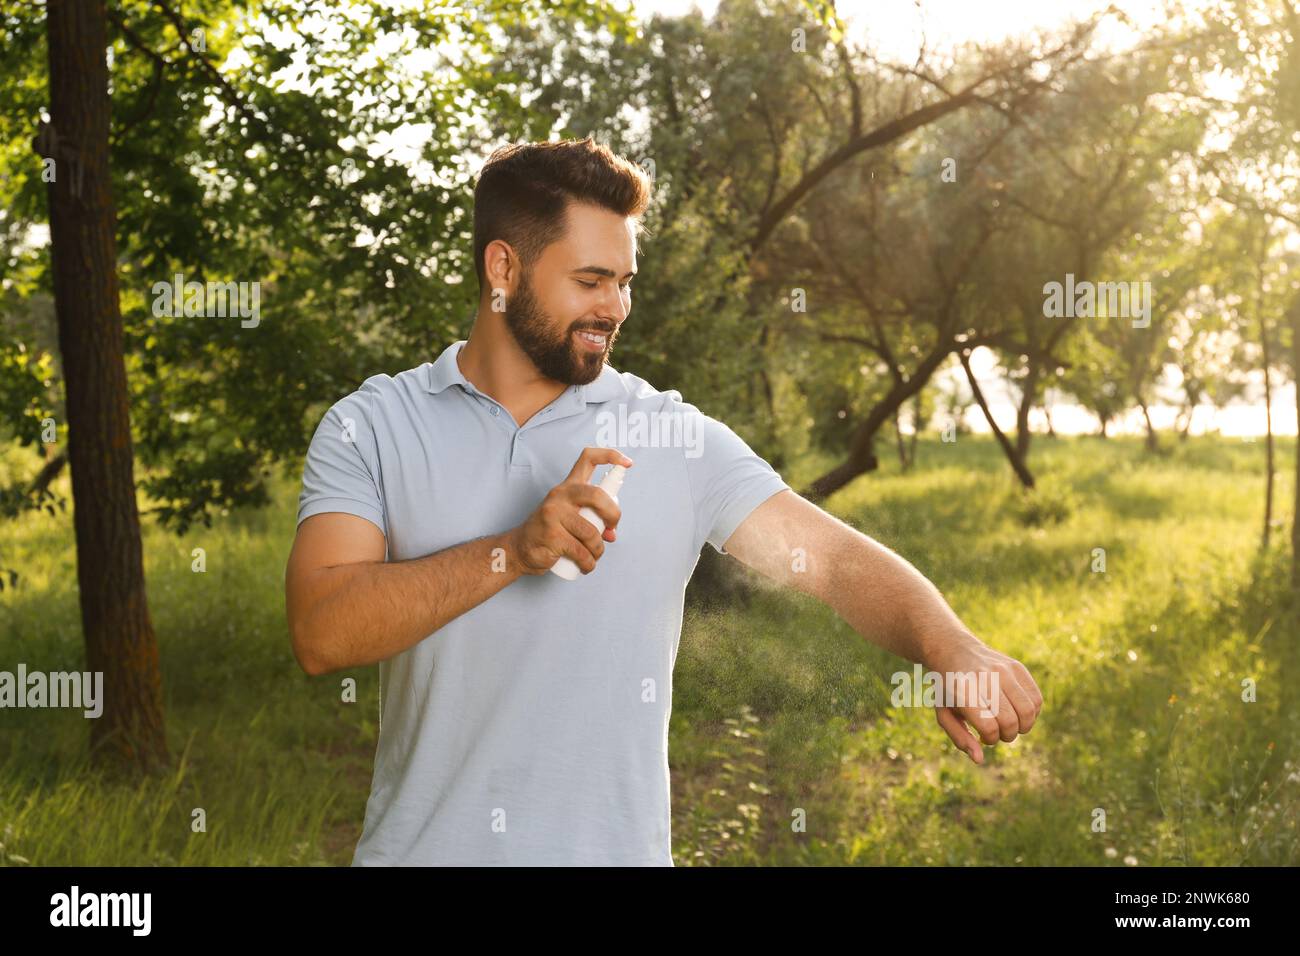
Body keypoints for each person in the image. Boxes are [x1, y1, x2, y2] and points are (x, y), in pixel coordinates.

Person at [284, 137, 1042, 866]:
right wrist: (513, 551)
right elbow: (323, 631)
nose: (615, 308)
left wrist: (948, 647)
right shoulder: (373, 424)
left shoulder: (671, 437)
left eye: (626, 281)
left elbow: (835, 561)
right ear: (503, 268)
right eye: (590, 280)